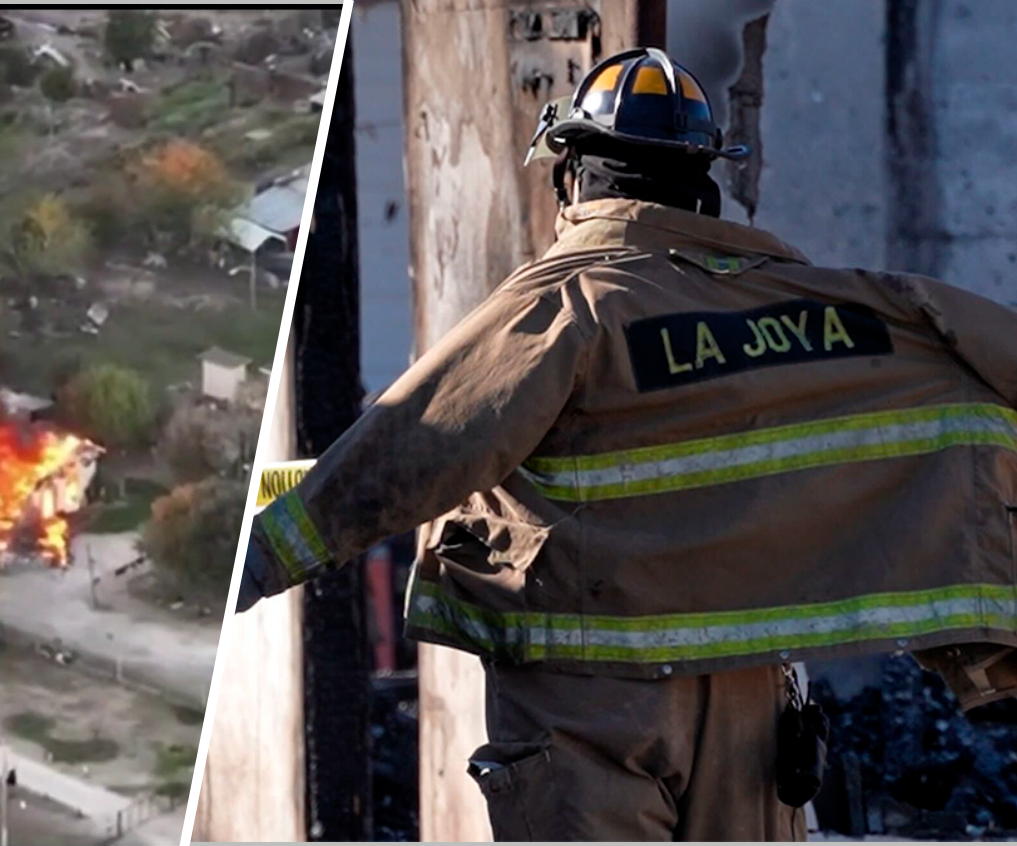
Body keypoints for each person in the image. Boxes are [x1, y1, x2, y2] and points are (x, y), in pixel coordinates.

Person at [236, 47, 1017, 841]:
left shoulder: (569, 298)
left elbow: (421, 441)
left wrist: (266, 549)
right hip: (751, 694)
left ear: (573, 176)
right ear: (702, 181)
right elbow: (973, 381)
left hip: (592, 699)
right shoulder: (824, 307)